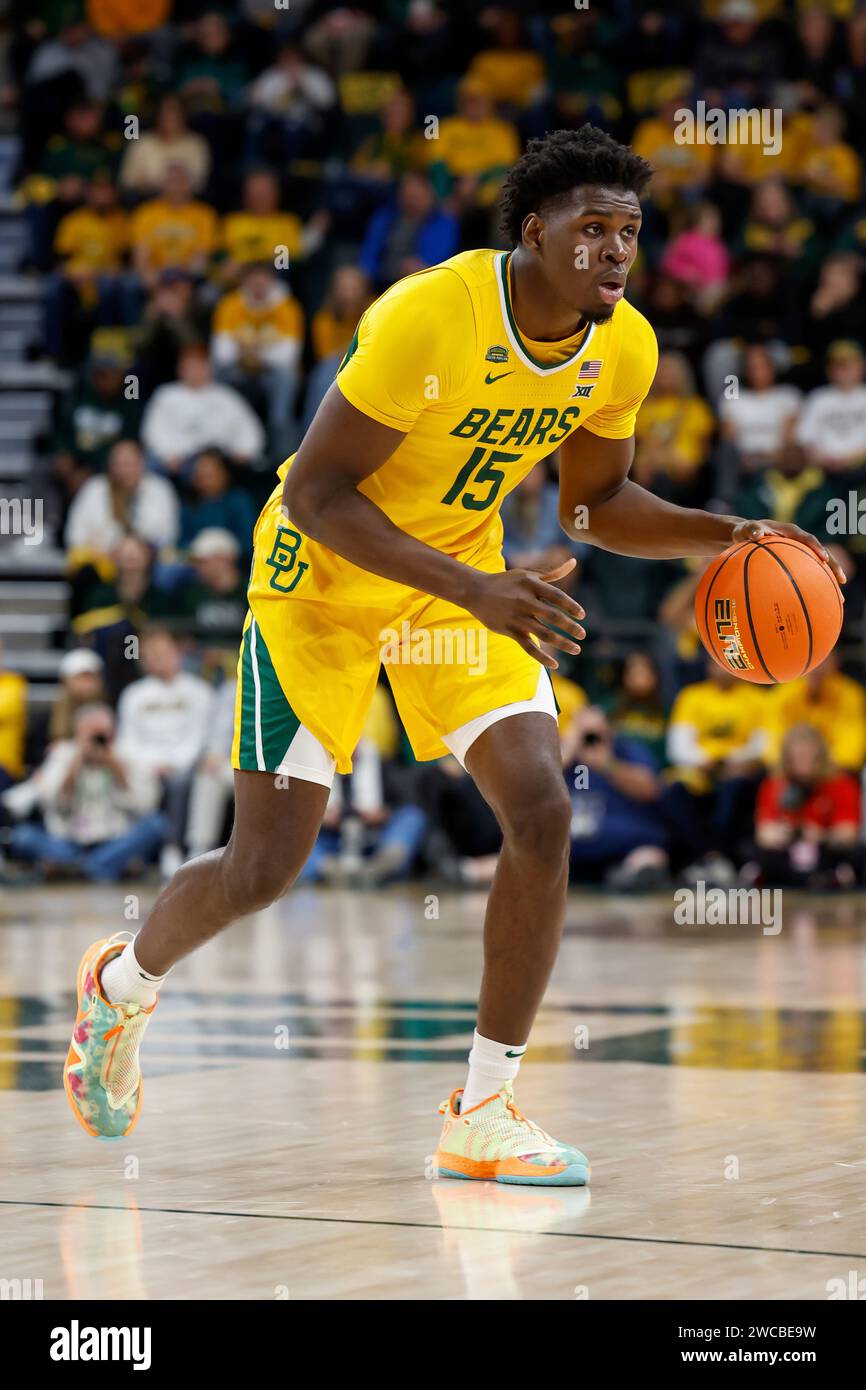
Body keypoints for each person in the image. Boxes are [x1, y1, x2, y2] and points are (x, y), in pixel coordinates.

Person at [64, 125, 842, 1181]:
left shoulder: (624, 347)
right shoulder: (430, 313)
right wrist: (479, 587)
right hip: (321, 581)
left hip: (465, 581)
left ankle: (482, 1106)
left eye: (629, 233)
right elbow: (314, 494)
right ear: (534, 230)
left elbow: (593, 502)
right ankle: (119, 989)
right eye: (592, 230)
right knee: (263, 867)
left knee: (541, 807)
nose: (615, 252)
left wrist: (726, 534)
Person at [7, 703, 165, 882]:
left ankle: (79, 869)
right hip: (68, 842)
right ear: (78, 733)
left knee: (157, 825)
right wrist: (74, 766)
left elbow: (145, 806)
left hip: (114, 840)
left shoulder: (129, 755)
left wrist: (117, 769)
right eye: (91, 734)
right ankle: (105, 868)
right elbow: (50, 804)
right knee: (23, 837)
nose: (97, 740)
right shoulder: (63, 754)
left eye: (102, 734)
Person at [116, 628, 212, 878]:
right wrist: (153, 763)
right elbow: (128, 740)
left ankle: (176, 848)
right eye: (152, 654)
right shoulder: (133, 695)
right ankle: (135, 852)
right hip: (145, 764)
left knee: (180, 781)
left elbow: (199, 736)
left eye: (164, 652)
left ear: (177, 653)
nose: (159, 659)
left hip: (185, 762)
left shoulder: (199, 691)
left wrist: (174, 762)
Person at [747, 725, 863, 888]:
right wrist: (782, 834)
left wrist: (820, 835)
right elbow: (763, 833)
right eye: (799, 757)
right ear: (788, 758)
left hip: (826, 852)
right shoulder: (775, 785)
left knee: (855, 855)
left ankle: (836, 880)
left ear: (821, 757)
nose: (805, 764)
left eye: (810, 757)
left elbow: (848, 833)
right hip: (785, 853)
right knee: (754, 852)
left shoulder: (841, 784)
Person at [141, 342, 265, 474]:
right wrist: (167, 455)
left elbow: (247, 428)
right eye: (189, 365)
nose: (194, 370)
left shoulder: (226, 396)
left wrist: (245, 450)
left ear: (209, 367)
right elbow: (153, 432)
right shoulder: (166, 395)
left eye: (199, 364)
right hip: (180, 462)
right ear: (180, 367)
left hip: (220, 460)